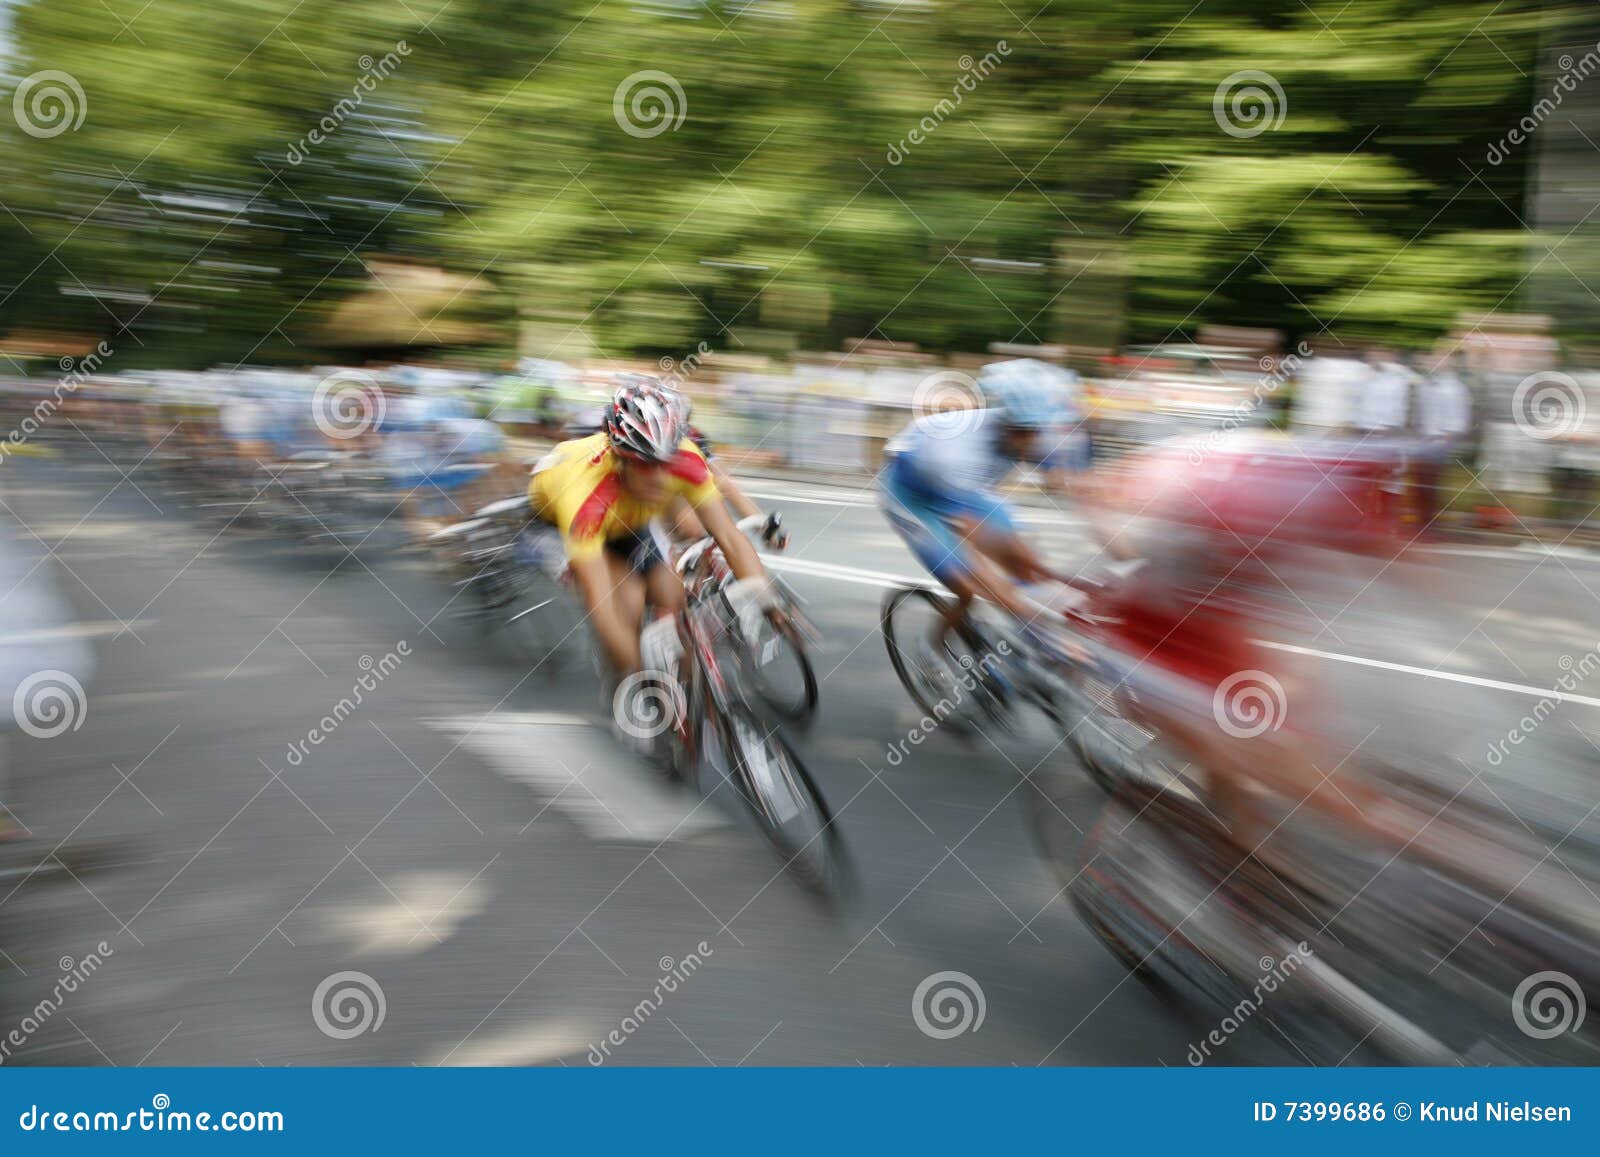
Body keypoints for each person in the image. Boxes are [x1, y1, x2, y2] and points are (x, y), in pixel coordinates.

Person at [528, 377, 768, 676]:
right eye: (644, 464)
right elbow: (602, 613)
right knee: (626, 600)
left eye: (664, 463)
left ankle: (705, 709)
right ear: (621, 461)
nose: (658, 476)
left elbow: (729, 536)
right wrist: (644, 678)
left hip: (625, 516)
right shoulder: (584, 495)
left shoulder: (686, 457)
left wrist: (765, 599)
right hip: (559, 524)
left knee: (674, 597)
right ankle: (628, 690)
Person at [878, 358, 1084, 640]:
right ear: (1005, 424)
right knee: (969, 587)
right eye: (1021, 432)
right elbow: (972, 546)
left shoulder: (1038, 430)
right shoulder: (955, 456)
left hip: (966, 490)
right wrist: (1023, 612)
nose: (1030, 442)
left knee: (1025, 561)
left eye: (1035, 432)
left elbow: (1078, 492)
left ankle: (1027, 649)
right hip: (911, 497)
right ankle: (934, 654)